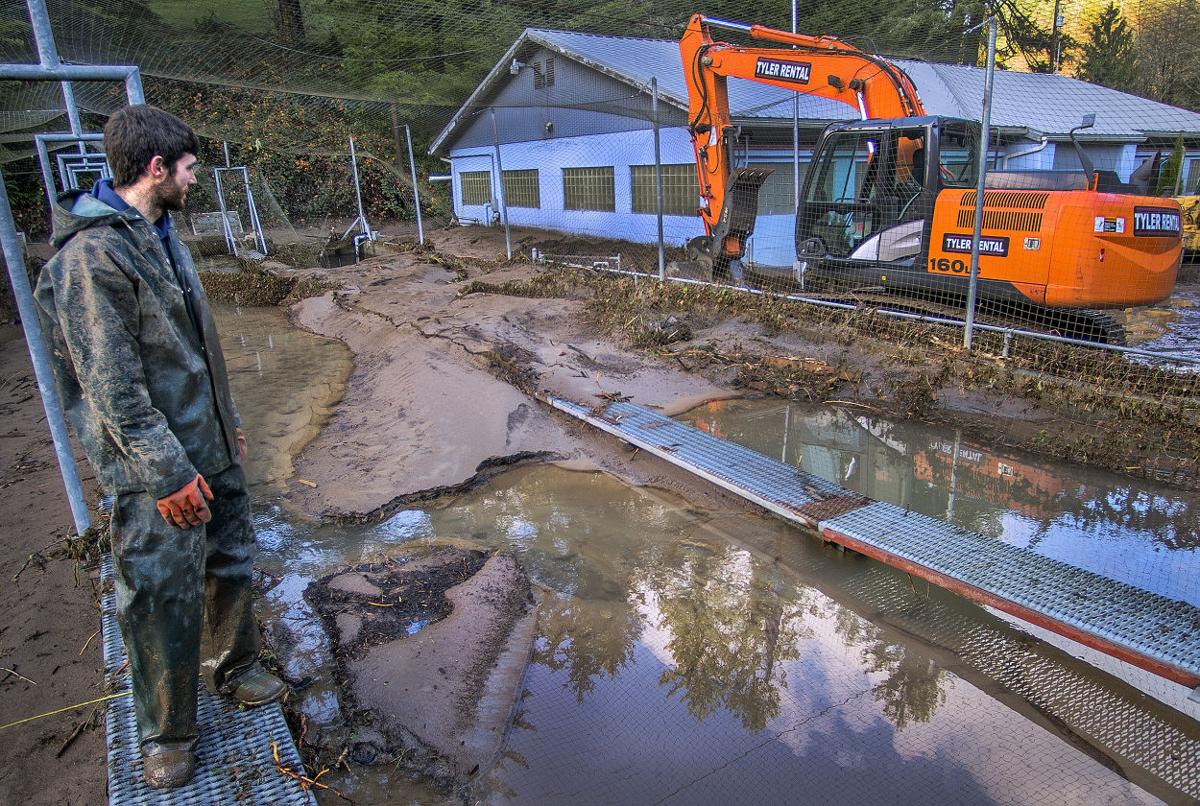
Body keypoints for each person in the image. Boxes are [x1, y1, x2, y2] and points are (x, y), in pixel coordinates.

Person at [34, 105, 284, 790]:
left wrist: (225, 423)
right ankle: (168, 731)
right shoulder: (93, 258)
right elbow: (112, 387)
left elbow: (194, 348)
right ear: (156, 169)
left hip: (207, 440)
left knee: (231, 556)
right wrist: (167, 472)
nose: (194, 180)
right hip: (155, 467)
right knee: (159, 592)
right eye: (189, 169)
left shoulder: (160, 230)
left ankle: (237, 666)